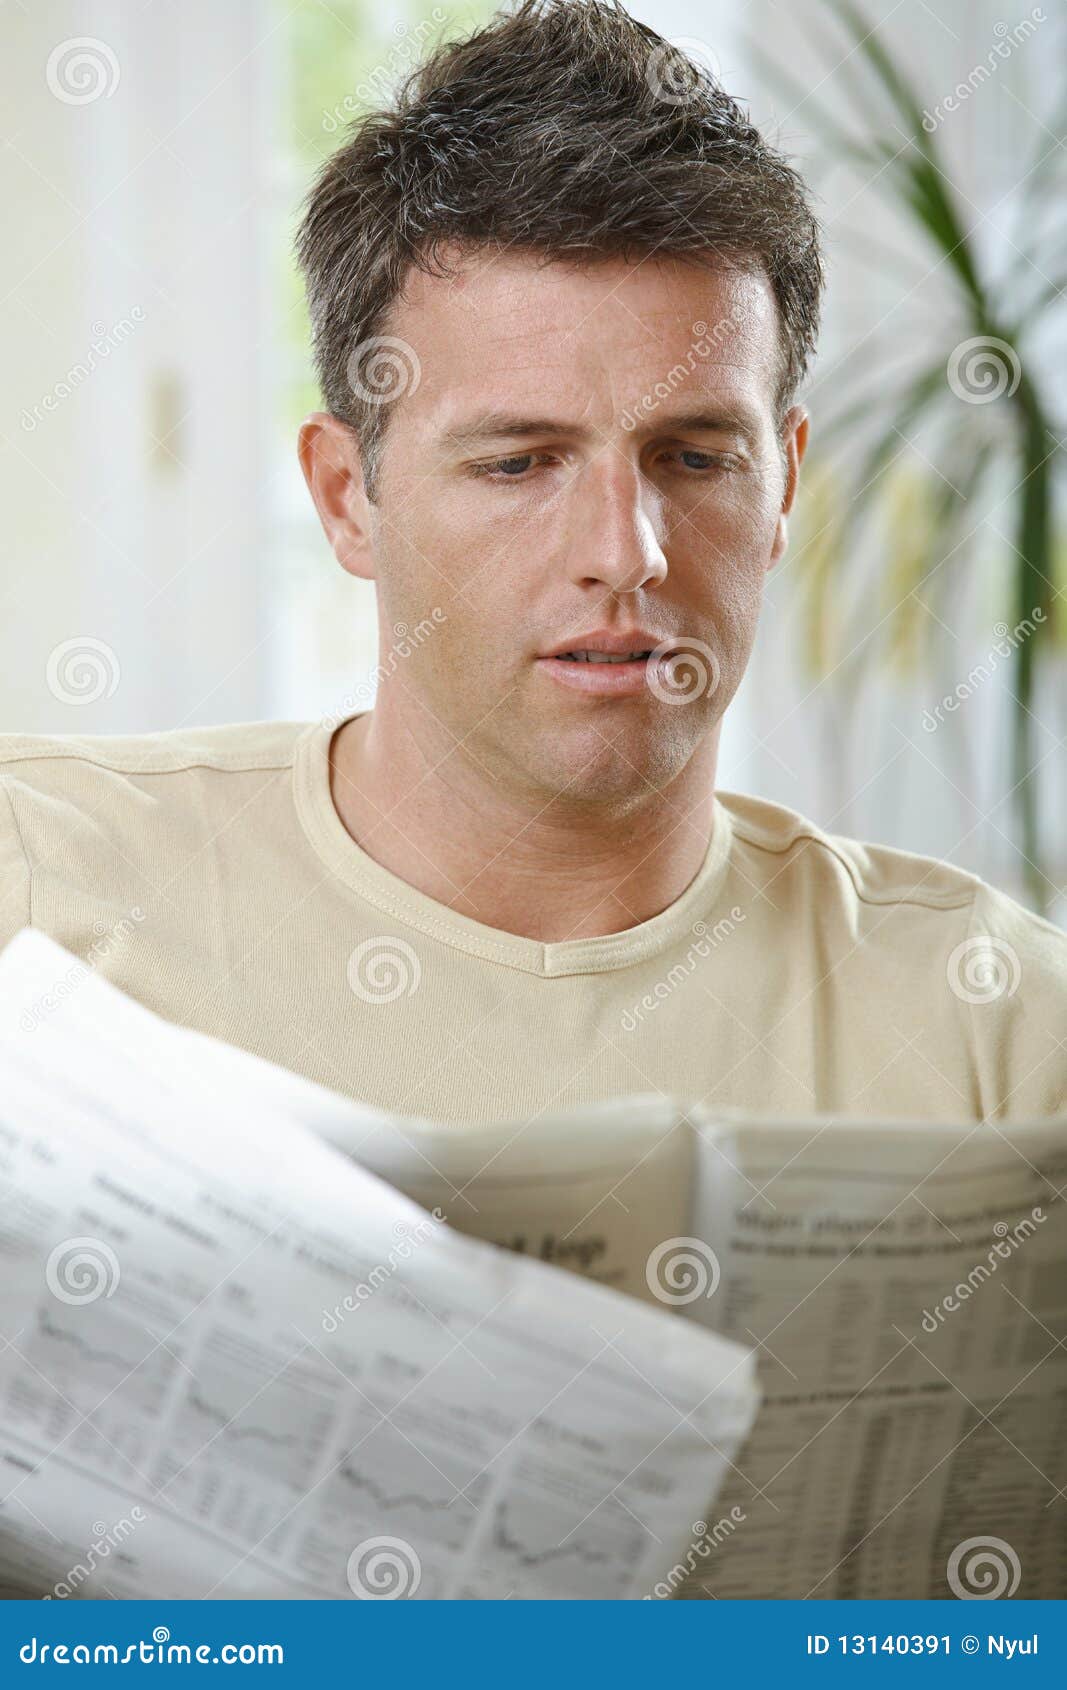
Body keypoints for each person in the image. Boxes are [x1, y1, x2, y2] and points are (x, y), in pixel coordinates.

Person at [1, 0, 1064, 1126]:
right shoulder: (40, 892)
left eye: (695, 457)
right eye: (517, 464)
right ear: (342, 497)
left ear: (783, 485)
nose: (626, 552)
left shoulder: (997, 1031)